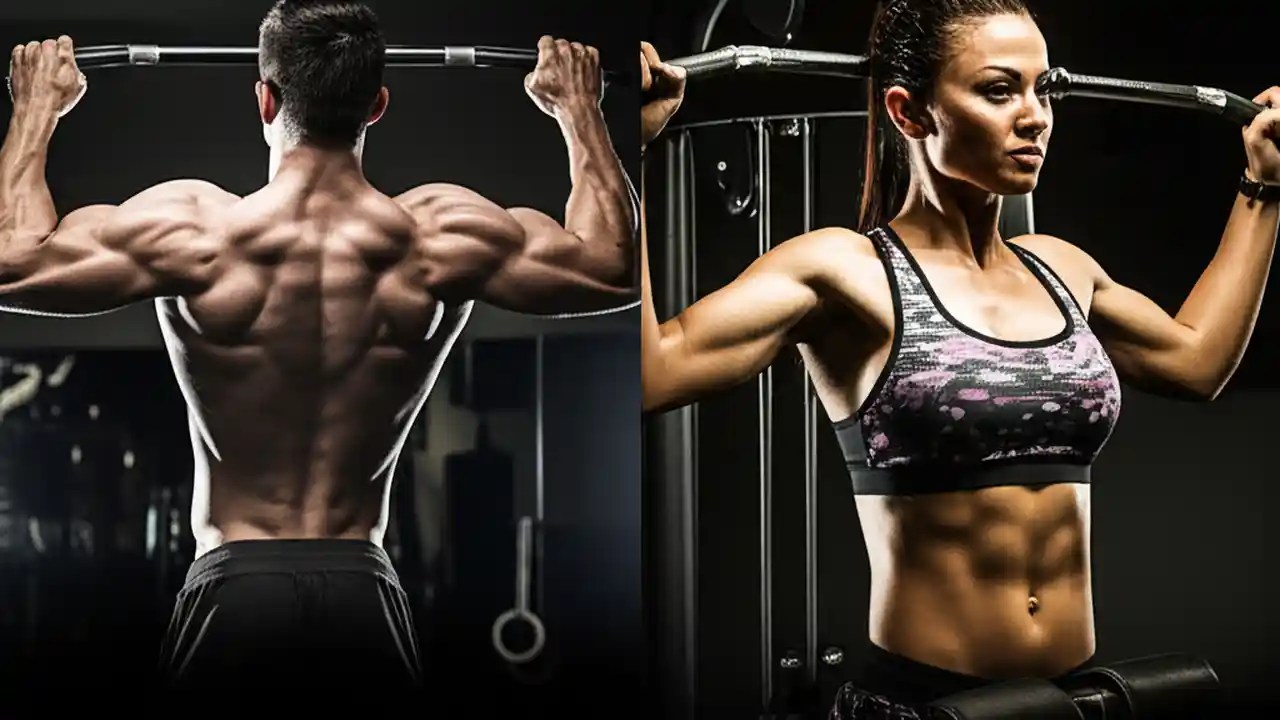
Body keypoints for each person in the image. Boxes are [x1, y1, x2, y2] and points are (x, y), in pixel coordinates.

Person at [639, 0, 1280, 715]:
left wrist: (1265, 185)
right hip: (926, 703)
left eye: (1046, 88)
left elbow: (1198, 364)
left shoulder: (1059, 268)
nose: (1035, 116)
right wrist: (619, 149)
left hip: (1073, 699)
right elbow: (654, 369)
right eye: (1000, 90)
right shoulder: (846, 271)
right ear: (909, 113)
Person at [0, 0, 635, 695]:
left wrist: (37, 110)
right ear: (378, 104)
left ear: (265, 99)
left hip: (235, 592)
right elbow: (612, 266)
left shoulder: (194, 233)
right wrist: (580, 111)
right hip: (360, 589)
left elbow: (13, 262)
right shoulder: (439, 238)